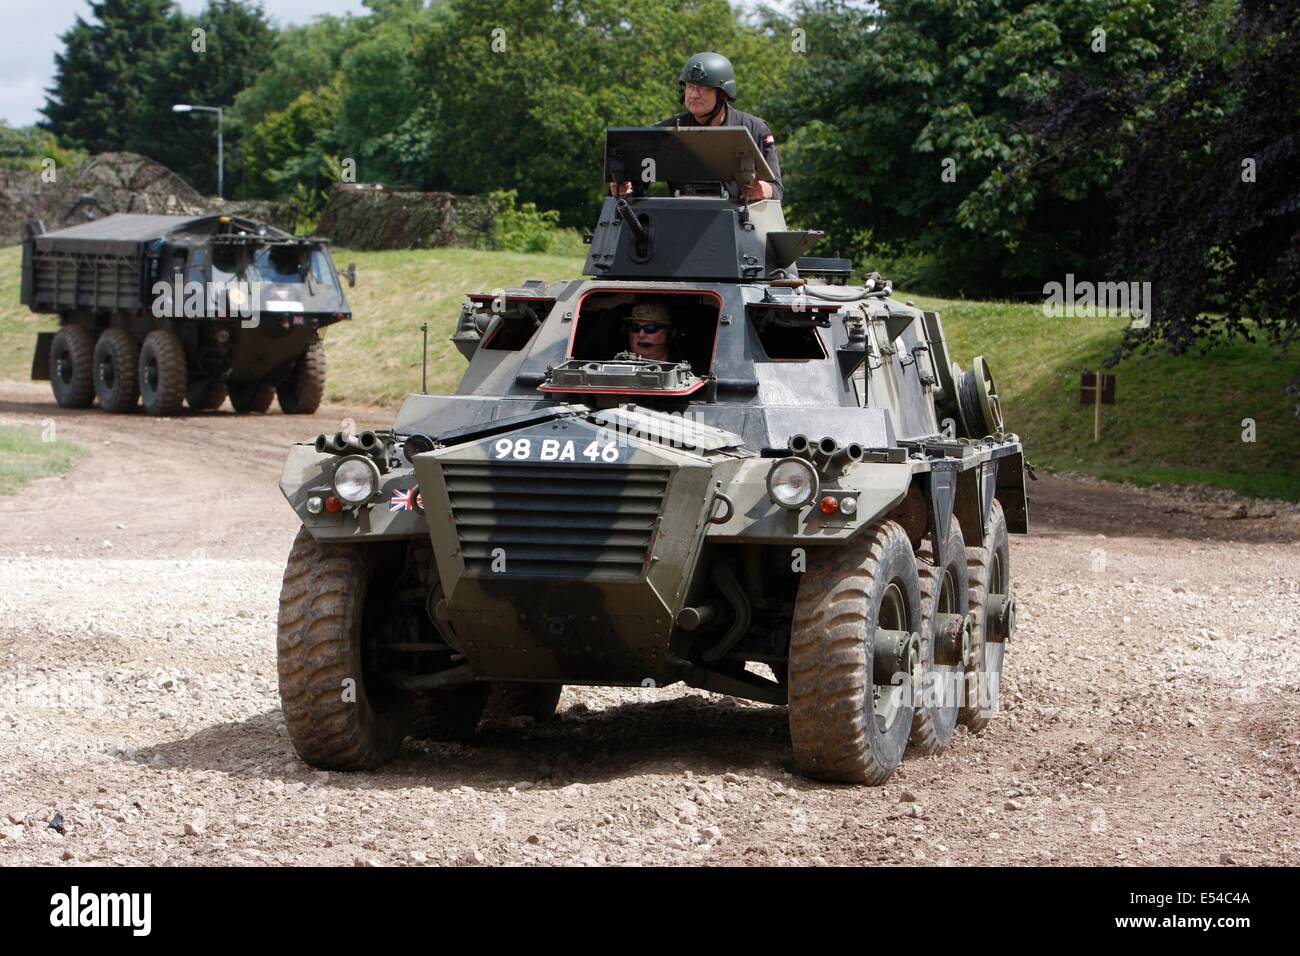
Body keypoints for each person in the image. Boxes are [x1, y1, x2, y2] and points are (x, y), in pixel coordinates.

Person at [611, 52, 784, 203]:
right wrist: (624, 188)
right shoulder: (663, 132)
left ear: (722, 94)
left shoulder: (754, 129)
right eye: (690, 87)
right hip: (685, 223)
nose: (693, 95)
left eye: (702, 89)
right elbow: (637, 186)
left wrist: (765, 190)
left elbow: (777, 188)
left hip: (738, 225)